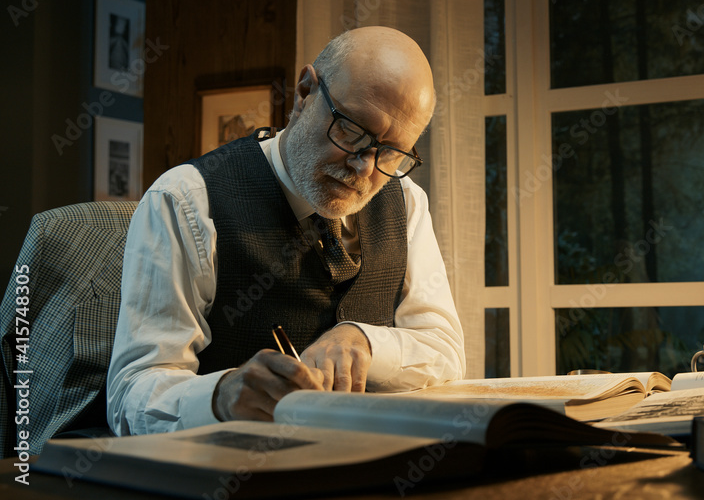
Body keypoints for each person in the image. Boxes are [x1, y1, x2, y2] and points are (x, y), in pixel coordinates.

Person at [107, 27, 465, 436]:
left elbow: (444, 348)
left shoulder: (407, 202)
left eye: (392, 152)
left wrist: (364, 341)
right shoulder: (187, 199)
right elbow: (130, 395)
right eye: (351, 130)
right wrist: (220, 397)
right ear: (304, 92)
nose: (365, 167)